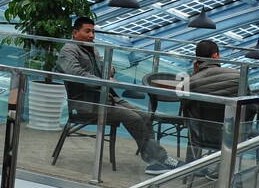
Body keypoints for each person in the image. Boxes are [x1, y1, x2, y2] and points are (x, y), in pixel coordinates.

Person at [55, 17, 181, 175]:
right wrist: (103, 80)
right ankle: (159, 158)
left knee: (144, 116)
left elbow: (105, 67)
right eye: (87, 31)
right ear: (75, 32)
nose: (91, 35)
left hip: (107, 97)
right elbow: (77, 74)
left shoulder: (92, 49)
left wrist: (109, 71)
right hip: (86, 102)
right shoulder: (68, 50)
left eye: (93, 31)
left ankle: (153, 158)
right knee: (133, 118)